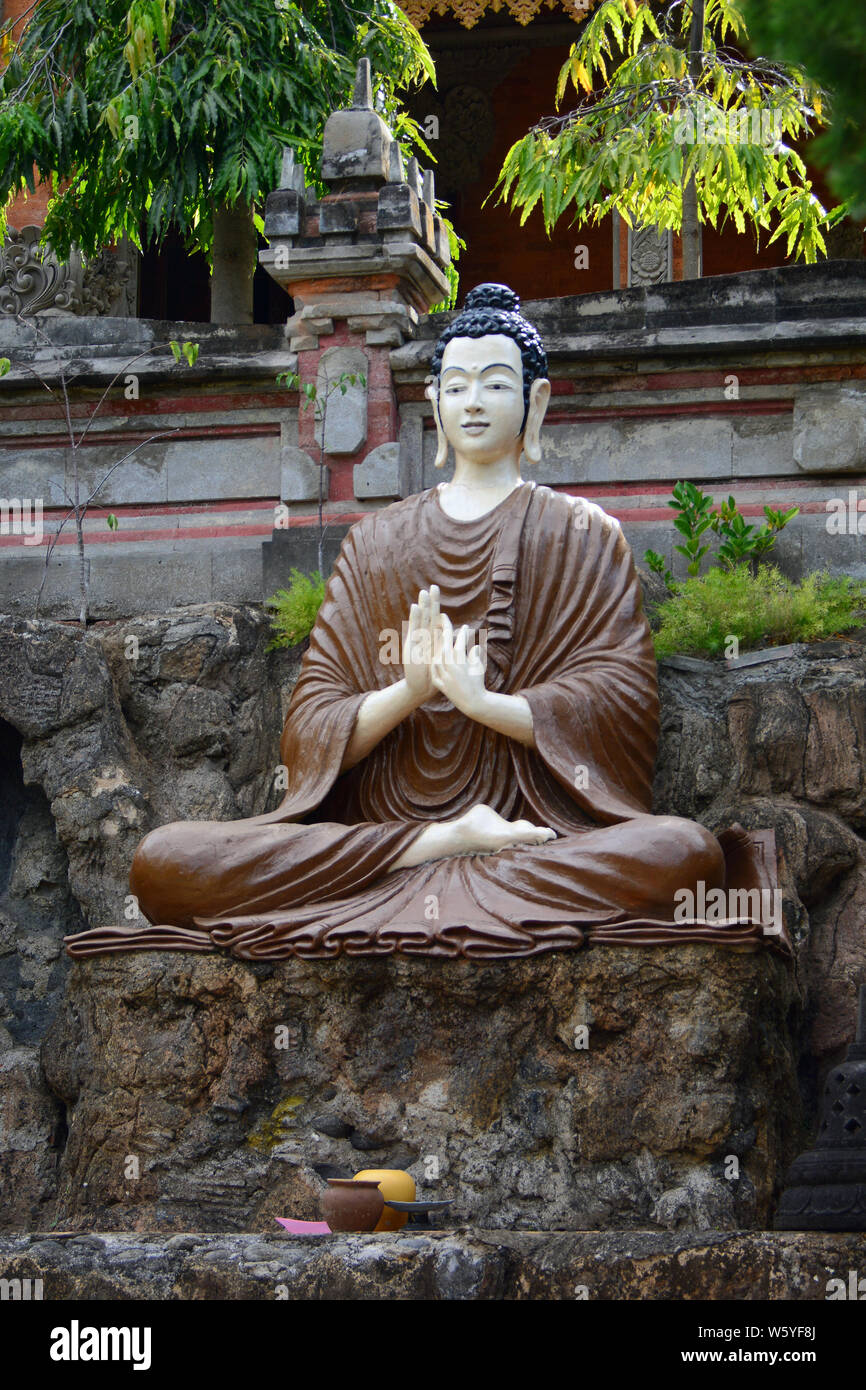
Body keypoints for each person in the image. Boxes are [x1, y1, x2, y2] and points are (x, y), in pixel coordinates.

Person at [66, 284, 779, 961]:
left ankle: (458, 860)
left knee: (681, 856)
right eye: (458, 386)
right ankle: (442, 846)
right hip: (381, 839)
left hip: (537, 838)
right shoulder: (376, 541)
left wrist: (485, 705)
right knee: (166, 862)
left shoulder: (582, 532)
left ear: (536, 402)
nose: (474, 403)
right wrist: (407, 691)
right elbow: (308, 725)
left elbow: (622, 698)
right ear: (433, 402)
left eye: (496, 384)